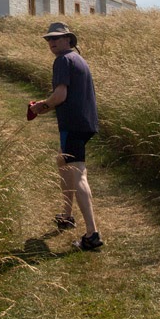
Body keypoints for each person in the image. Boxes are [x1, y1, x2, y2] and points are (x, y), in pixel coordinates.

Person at [31, 22, 103, 251]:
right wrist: (48, 106)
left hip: (73, 124)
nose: (51, 42)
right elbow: (67, 95)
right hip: (86, 122)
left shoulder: (62, 60)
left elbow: (60, 95)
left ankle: (92, 235)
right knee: (62, 161)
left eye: (56, 38)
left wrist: (42, 105)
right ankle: (66, 215)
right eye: (48, 39)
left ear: (68, 40)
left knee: (78, 173)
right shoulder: (79, 59)